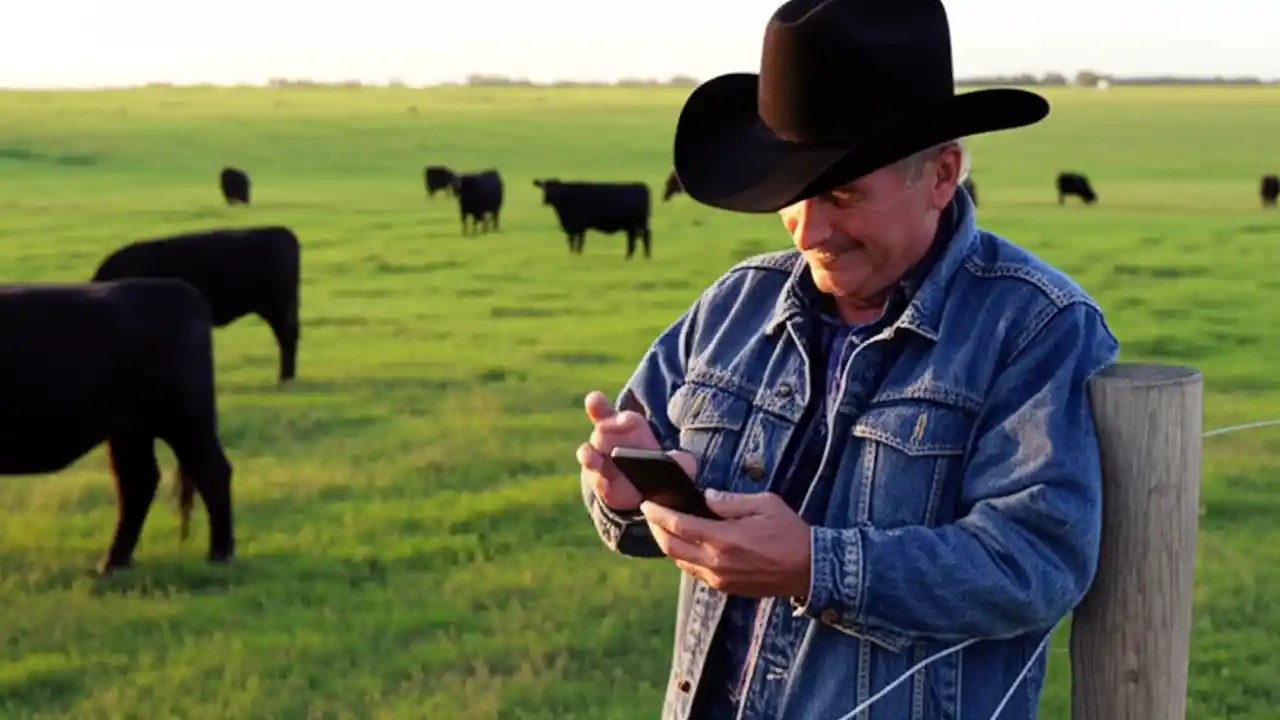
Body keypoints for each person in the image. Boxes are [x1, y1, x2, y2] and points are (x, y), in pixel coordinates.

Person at [575, 0, 1120, 718]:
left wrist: (815, 564)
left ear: (942, 174)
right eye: (790, 197)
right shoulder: (734, 305)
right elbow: (639, 500)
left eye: (840, 194)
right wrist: (627, 491)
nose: (809, 231)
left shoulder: (1034, 328)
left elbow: (1035, 561)